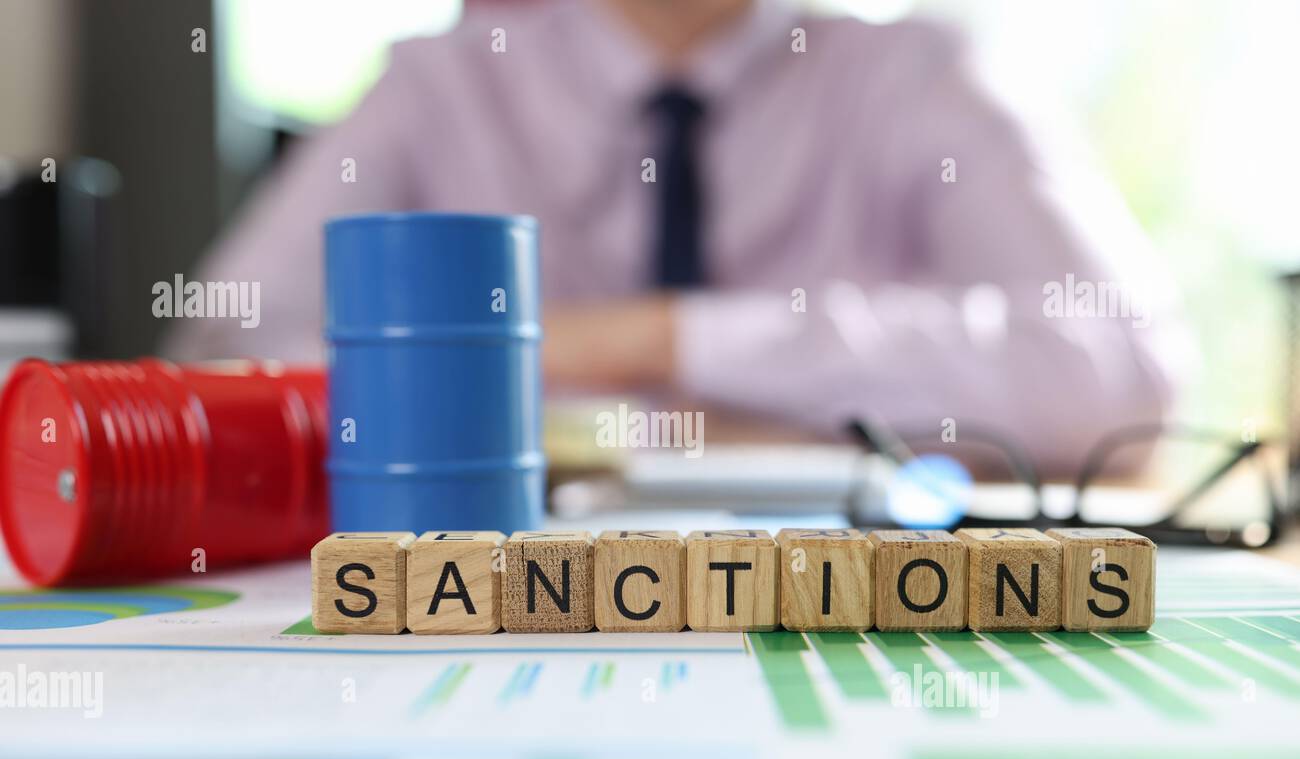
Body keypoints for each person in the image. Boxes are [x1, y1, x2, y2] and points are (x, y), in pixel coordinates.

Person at [166, 0, 1183, 477]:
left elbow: (1114, 376)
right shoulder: (438, 85)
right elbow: (219, 368)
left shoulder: (919, 74)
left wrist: (658, 340)